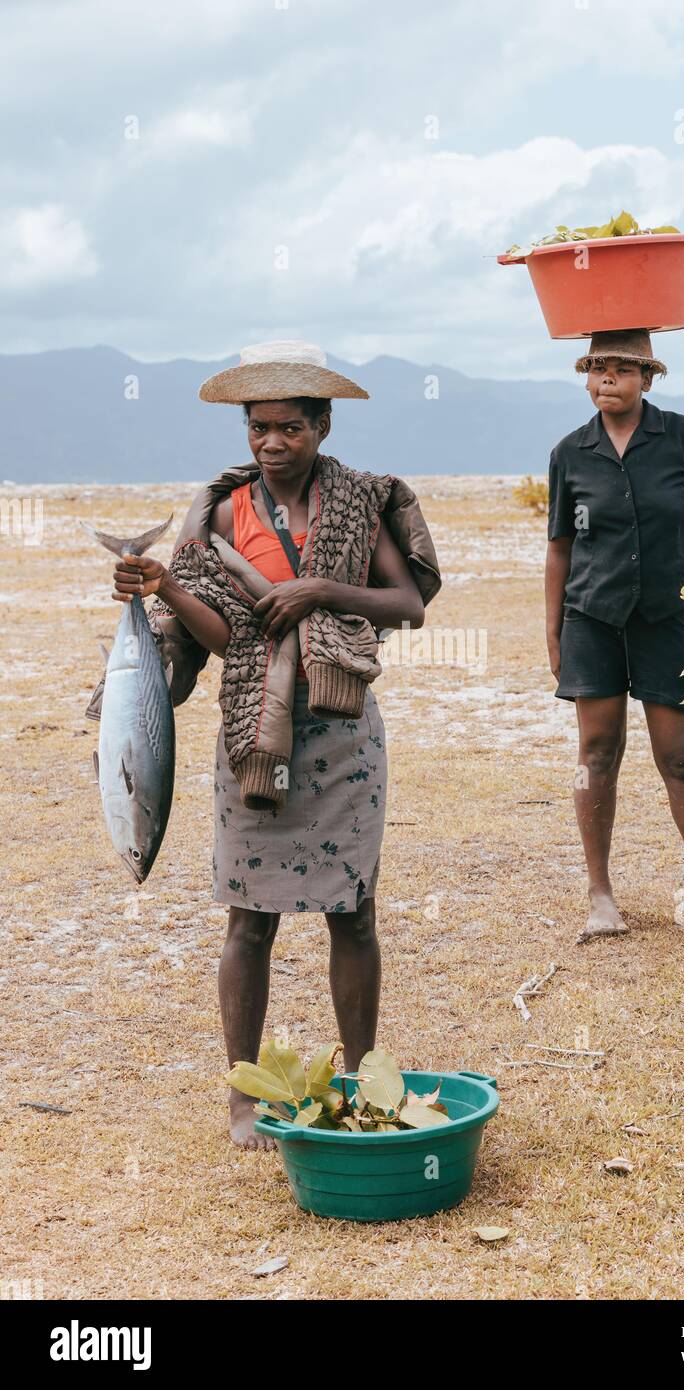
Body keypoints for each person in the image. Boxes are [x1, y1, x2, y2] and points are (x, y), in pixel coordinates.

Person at [98, 340, 442, 1147]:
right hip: (255, 732)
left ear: (322, 426)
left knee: (352, 915)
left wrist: (319, 589)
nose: (272, 442)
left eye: (290, 427)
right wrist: (166, 586)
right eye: (259, 428)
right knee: (248, 921)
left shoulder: (358, 501)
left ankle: (364, 1084)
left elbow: (407, 603)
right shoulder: (222, 515)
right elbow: (226, 641)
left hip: (344, 732)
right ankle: (242, 1099)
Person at [545, 328, 684, 946]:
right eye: (596, 369)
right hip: (590, 620)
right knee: (597, 755)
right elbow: (560, 547)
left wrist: (661, 565)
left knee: (682, 760)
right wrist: (553, 632)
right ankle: (600, 897)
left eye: (622, 370)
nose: (607, 379)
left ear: (648, 378)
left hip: (665, 618)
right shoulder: (570, 452)